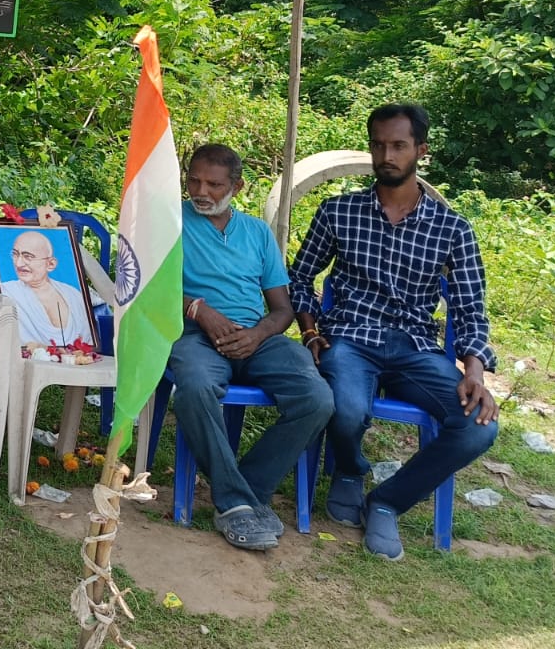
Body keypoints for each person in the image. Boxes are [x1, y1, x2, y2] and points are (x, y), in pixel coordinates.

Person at [291, 103, 499, 563]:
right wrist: (309, 332)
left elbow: (470, 307)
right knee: (343, 410)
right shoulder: (338, 212)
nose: (387, 154)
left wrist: (476, 371)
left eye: (399, 145)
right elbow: (299, 278)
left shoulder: (452, 229)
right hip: (350, 336)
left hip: (416, 347)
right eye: (379, 144)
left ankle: (387, 501)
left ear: (420, 151)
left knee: (478, 428)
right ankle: (349, 469)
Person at [170, 144, 334, 551]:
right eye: (194, 180)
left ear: (237, 187)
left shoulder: (258, 233)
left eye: (214, 183)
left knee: (317, 398)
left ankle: (242, 492)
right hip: (195, 337)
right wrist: (199, 311)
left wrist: (257, 335)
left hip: (256, 340)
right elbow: (141, 290)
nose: (201, 190)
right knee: (193, 387)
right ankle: (236, 503)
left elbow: (282, 309)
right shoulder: (170, 223)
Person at [0, 230, 91, 346]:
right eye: (15, 254)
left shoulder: (73, 294)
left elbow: (87, 340)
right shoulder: (6, 291)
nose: (18, 264)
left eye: (28, 257)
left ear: (50, 264)